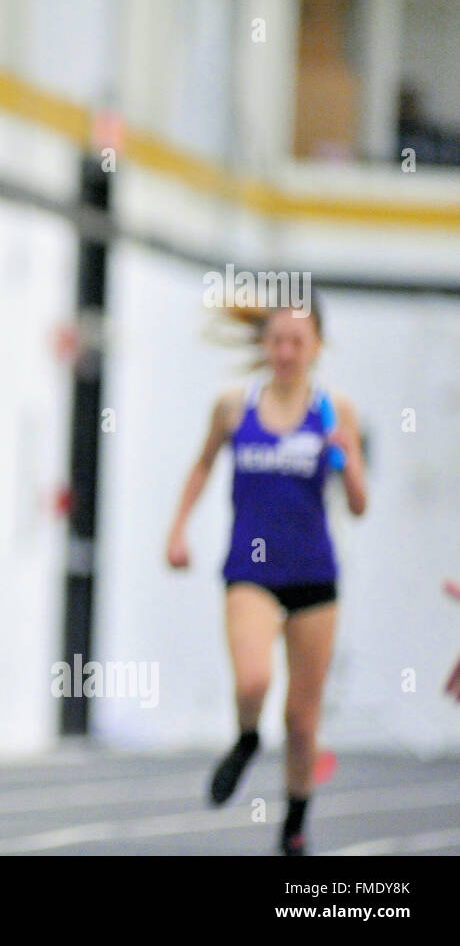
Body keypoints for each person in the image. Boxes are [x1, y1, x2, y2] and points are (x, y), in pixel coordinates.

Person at [165, 293, 367, 856]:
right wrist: (177, 530)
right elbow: (203, 463)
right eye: (277, 340)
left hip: (313, 575)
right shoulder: (235, 405)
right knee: (253, 681)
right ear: (264, 345)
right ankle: (247, 737)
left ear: (317, 347)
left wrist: (348, 458)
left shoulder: (334, 410)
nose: (285, 351)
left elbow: (358, 505)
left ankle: (295, 822)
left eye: (297, 342)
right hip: (250, 569)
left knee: (303, 722)